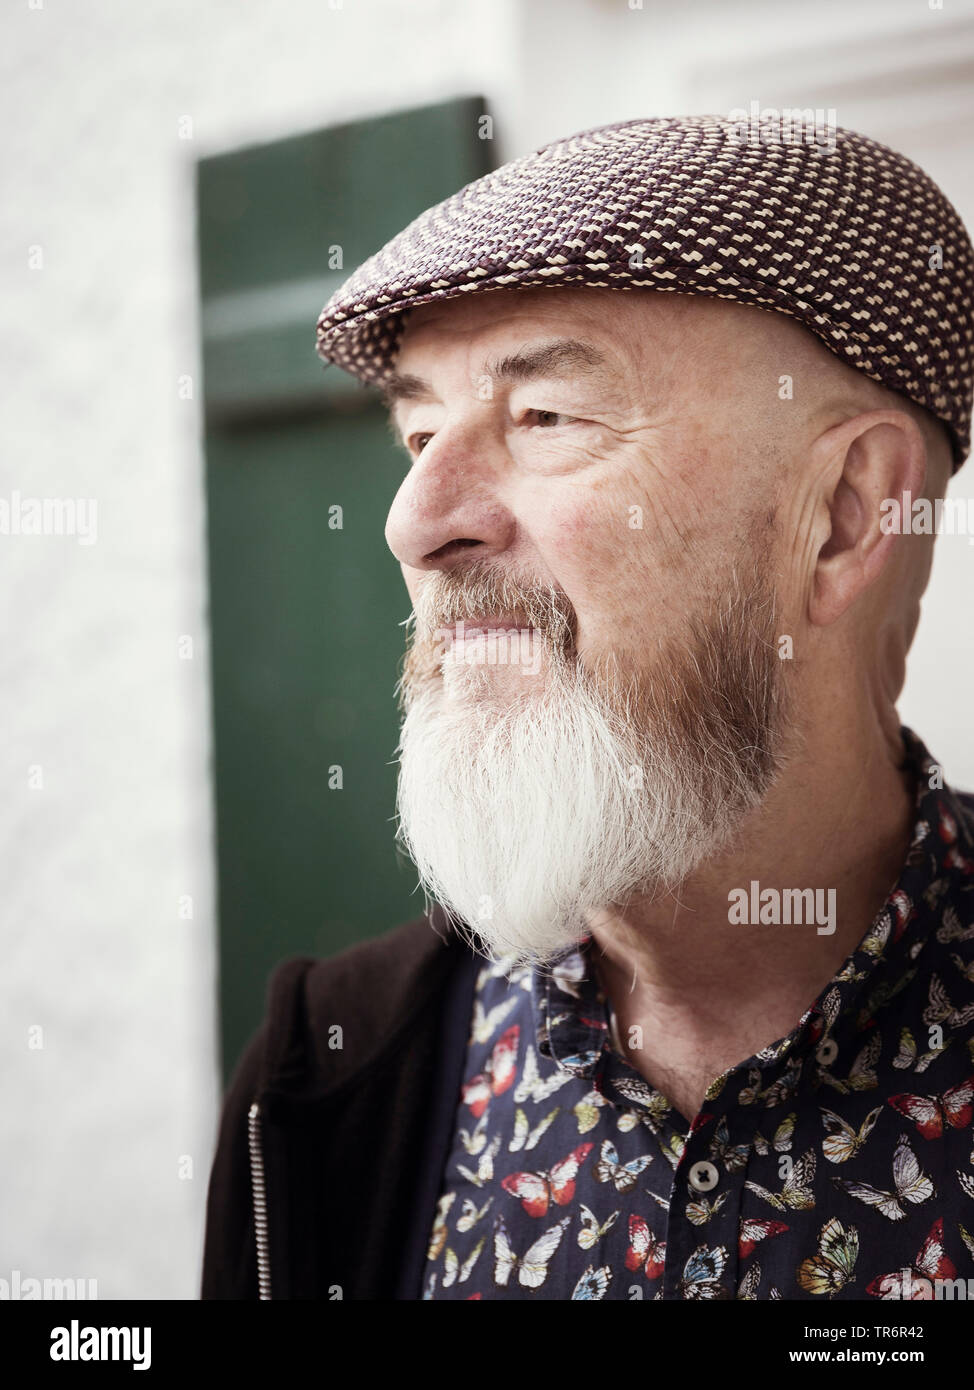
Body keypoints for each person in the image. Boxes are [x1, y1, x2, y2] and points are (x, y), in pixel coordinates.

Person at [201, 113, 974, 1301]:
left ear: (844, 516)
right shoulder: (328, 1075)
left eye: (543, 418)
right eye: (416, 433)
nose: (414, 522)